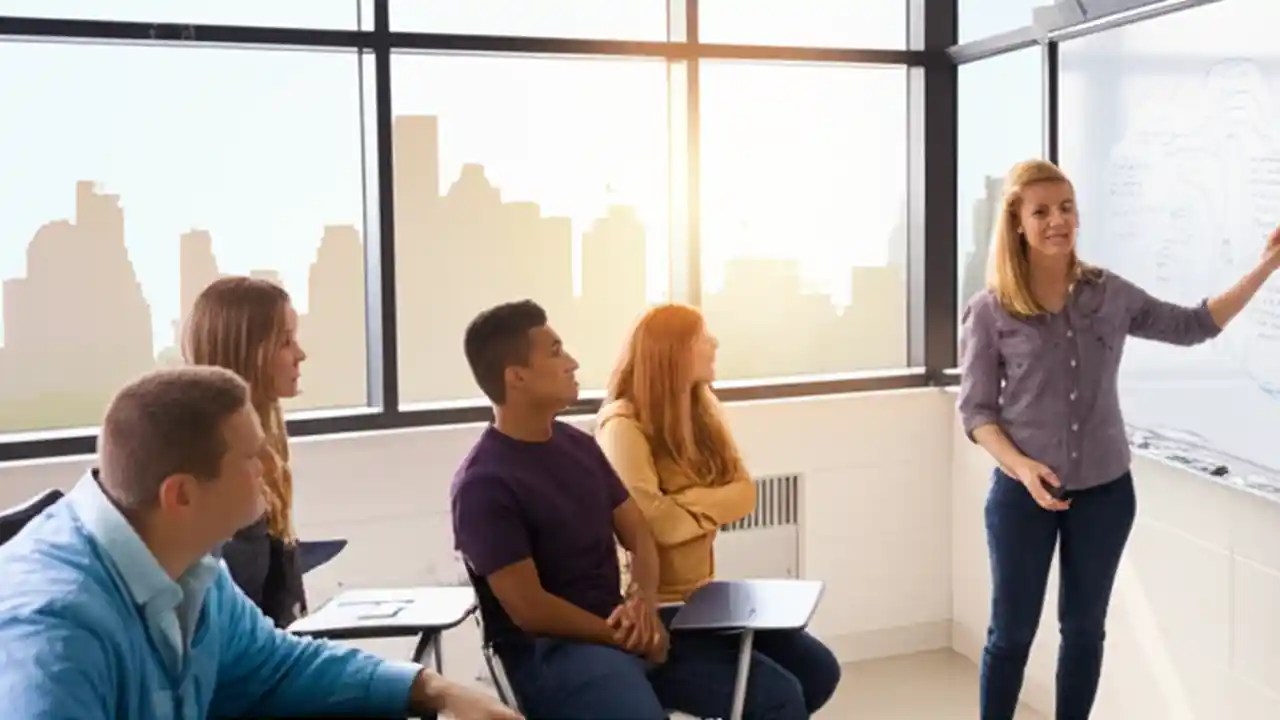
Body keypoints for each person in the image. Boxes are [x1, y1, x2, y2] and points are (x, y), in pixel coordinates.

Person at [0, 366, 519, 720]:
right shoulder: (54, 632)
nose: (270, 468)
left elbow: (276, 666)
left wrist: (434, 690)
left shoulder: (190, 562)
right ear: (181, 494)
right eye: (251, 458)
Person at [958, 158, 1280, 719]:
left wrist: (1268, 267)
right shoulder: (990, 311)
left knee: (1083, 632)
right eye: (1042, 211)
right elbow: (978, 414)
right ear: (1017, 223)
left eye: (1066, 207)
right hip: (1020, 497)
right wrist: (1022, 467)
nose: (1058, 221)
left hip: (1105, 494)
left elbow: (1193, 326)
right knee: (1010, 635)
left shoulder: (1108, 294)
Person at [596, 303, 842, 719]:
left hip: (704, 600)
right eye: (702, 337)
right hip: (658, 614)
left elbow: (745, 493)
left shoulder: (699, 409)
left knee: (819, 671)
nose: (715, 343)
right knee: (779, 698)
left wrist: (681, 505)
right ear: (672, 354)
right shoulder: (622, 424)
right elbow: (650, 523)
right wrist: (705, 504)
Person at [451, 300, 674, 719]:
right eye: (555, 353)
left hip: (618, 628)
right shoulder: (483, 484)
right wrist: (622, 636)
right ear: (516, 377)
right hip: (549, 653)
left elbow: (639, 535)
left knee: (790, 683)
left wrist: (643, 603)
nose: (572, 363)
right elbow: (531, 609)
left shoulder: (580, 446)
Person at [184, 275, 308, 628]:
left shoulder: (267, 451)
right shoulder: (219, 474)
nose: (300, 355)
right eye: (285, 342)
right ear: (248, 353)